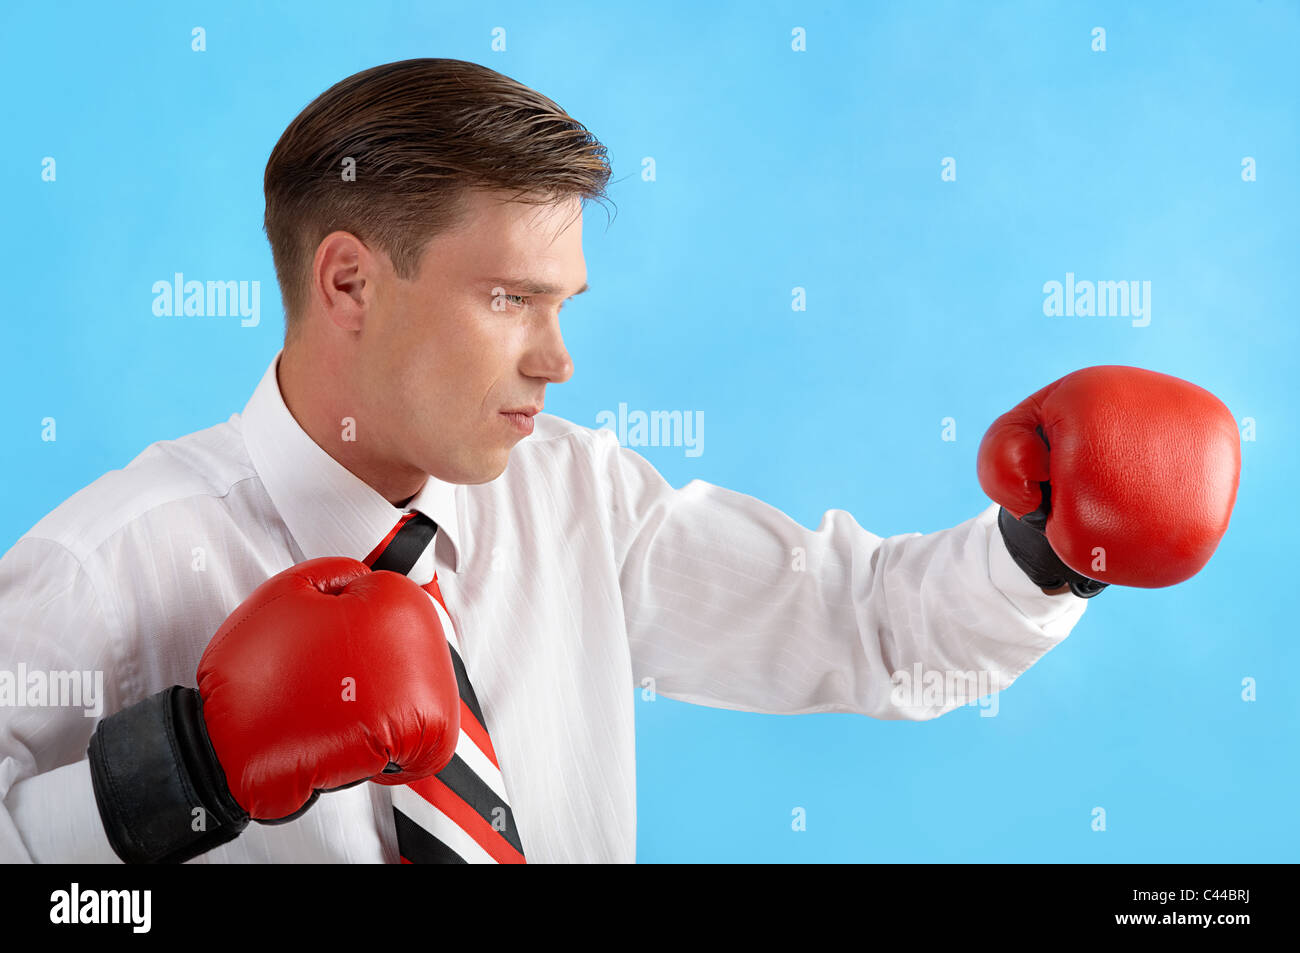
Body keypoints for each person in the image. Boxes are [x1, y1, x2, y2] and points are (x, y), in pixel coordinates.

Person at [0, 58, 1238, 864]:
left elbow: (859, 623)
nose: (558, 360)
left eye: (564, 302)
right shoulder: (104, 567)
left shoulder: (573, 494)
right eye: (507, 299)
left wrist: (1043, 545)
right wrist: (175, 773)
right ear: (348, 283)